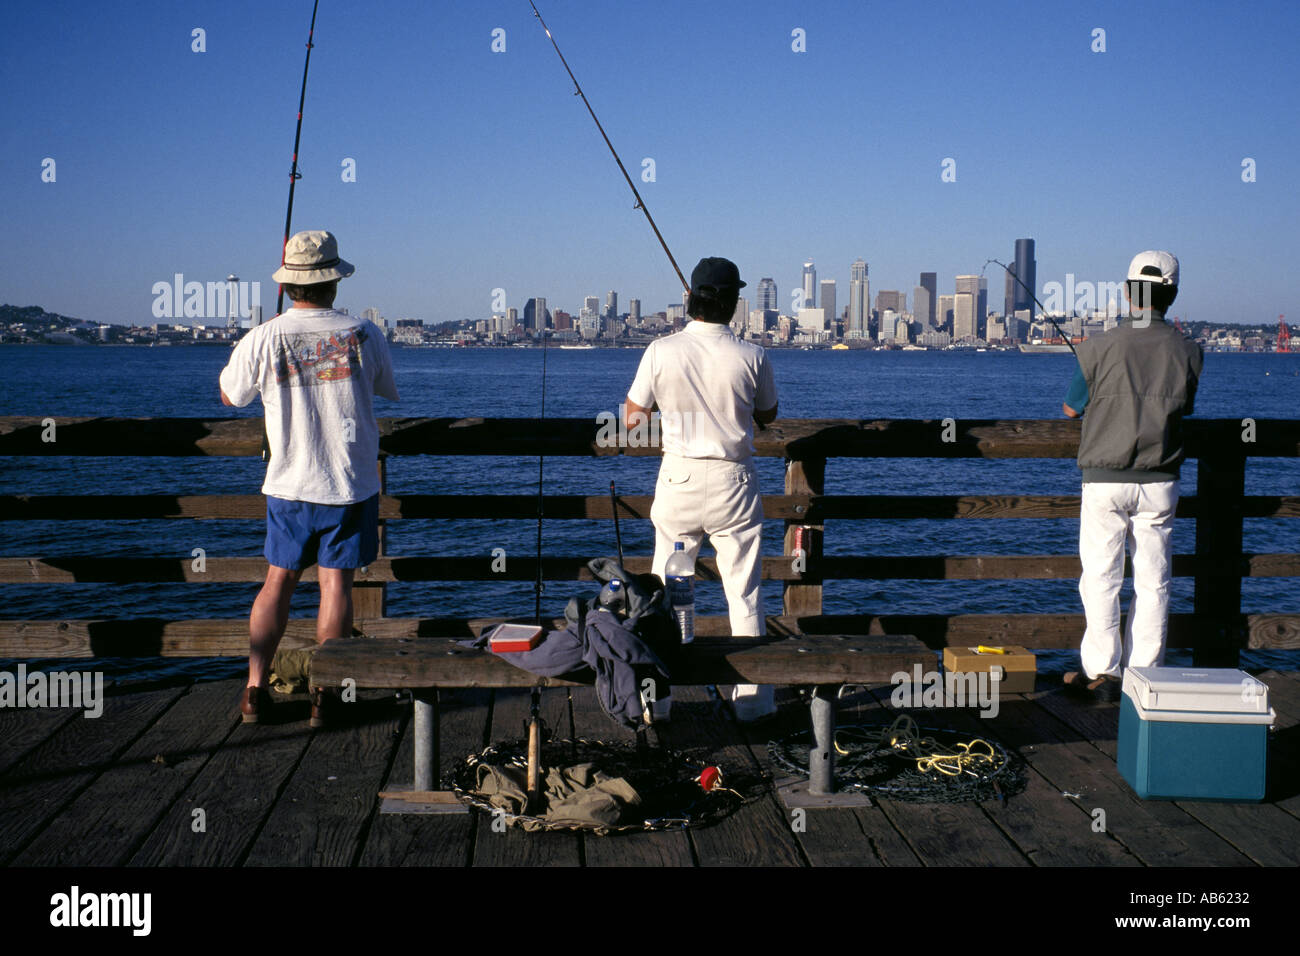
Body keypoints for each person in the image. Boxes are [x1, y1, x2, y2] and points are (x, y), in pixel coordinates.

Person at [219, 230, 399, 725]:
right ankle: (326, 693)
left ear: (290, 284)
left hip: (289, 485)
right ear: (334, 283)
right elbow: (384, 388)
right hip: (348, 482)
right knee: (335, 587)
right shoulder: (364, 333)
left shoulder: (263, 335)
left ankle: (255, 690)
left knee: (276, 583)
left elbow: (231, 396)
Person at [623, 257, 779, 720]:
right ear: (733, 304)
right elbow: (768, 416)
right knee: (744, 593)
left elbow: (633, 418)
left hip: (679, 480)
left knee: (664, 594)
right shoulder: (753, 355)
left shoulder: (661, 350)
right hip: (734, 479)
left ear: (690, 298)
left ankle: (659, 703)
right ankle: (753, 705)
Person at [1061, 250, 1202, 701]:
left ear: (1127, 293)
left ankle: (1102, 672)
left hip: (1105, 477)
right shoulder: (1189, 352)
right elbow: (1184, 408)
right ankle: (1147, 675)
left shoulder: (1099, 347)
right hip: (1160, 477)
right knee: (1153, 579)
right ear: (1173, 296)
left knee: (1101, 577)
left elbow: (1070, 408)